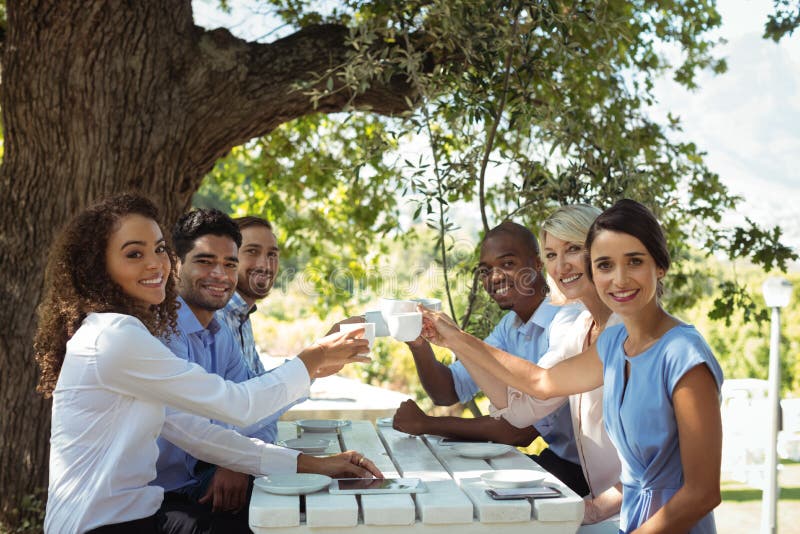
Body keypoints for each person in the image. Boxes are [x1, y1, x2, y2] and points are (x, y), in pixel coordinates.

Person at [34, 194, 381, 534]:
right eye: (134, 254)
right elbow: (237, 405)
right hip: (99, 526)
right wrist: (314, 357)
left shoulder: (125, 334)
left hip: (140, 518)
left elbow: (196, 433)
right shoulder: (115, 336)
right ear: (99, 267)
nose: (155, 264)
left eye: (158, 249)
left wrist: (314, 466)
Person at [420, 199, 723, 533]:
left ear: (660, 266)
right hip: (623, 519)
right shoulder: (609, 342)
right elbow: (537, 387)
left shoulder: (682, 352)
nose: (619, 279)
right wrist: (453, 340)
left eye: (634, 262)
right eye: (606, 265)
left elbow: (702, 493)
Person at [457, 205, 623, 525]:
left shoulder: (629, 332)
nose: (561, 265)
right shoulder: (578, 329)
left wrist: (592, 510)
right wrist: (454, 342)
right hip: (608, 509)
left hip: (639, 513)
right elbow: (522, 410)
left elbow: (659, 463)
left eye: (573, 248)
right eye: (551, 254)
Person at [394, 221, 587, 495]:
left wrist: (427, 424)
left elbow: (519, 432)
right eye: (485, 271)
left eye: (507, 264)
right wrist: (418, 343)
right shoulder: (510, 327)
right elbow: (449, 391)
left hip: (588, 475)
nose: (494, 277)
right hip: (562, 461)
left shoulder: (567, 320)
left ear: (537, 264)